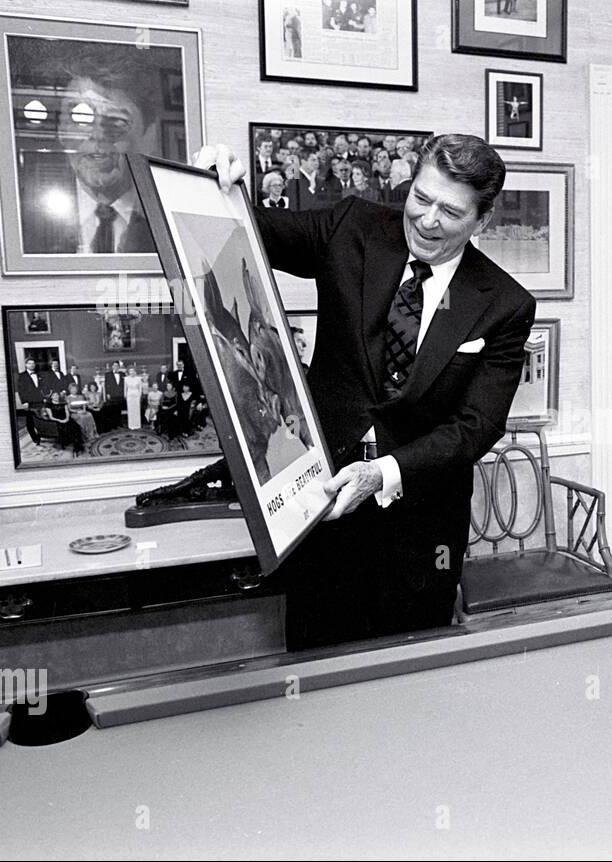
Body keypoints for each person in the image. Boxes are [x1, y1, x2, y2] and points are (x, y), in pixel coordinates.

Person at [198, 132, 536, 647]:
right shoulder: (351, 226)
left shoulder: (506, 304)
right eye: (420, 198)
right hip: (321, 505)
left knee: (411, 675)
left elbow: (477, 426)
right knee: (315, 663)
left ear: (482, 220)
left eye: (450, 212)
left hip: (422, 526)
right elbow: (250, 230)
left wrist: (381, 473)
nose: (427, 220)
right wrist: (218, 185)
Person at [15, 43, 170, 255]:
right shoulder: (19, 218)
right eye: (79, 117)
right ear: (61, 129)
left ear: (149, 137)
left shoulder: (169, 222)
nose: (97, 135)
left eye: (116, 121)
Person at [15, 358, 46, 445]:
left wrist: (44, 397)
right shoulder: (22, 376)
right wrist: (24, 402)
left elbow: (42, 387)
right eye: (30, 363)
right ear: (26, 365)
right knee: (30, 421)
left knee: (40, 418)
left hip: (39, 400)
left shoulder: (39, 374)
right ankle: (35, 438)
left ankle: (42, 434)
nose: (32, 365)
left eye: (33, 363)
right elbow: (21, 390)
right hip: (29, 402)